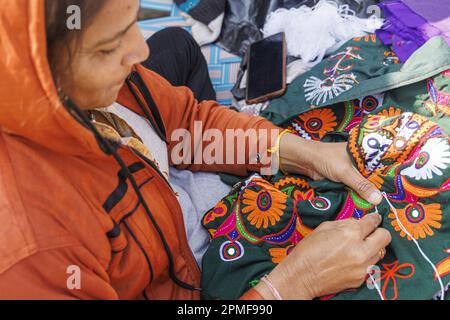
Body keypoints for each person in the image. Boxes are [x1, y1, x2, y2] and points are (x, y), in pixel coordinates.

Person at [0, 0, 391, 300]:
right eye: (107, 47)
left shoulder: (88, 74)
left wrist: (292, 149)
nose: (137, 52)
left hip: (171, 213)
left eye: (132, 21)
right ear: (37, 76)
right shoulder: (35, 253)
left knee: (176, 43)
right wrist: (286, 286)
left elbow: (183, 122)